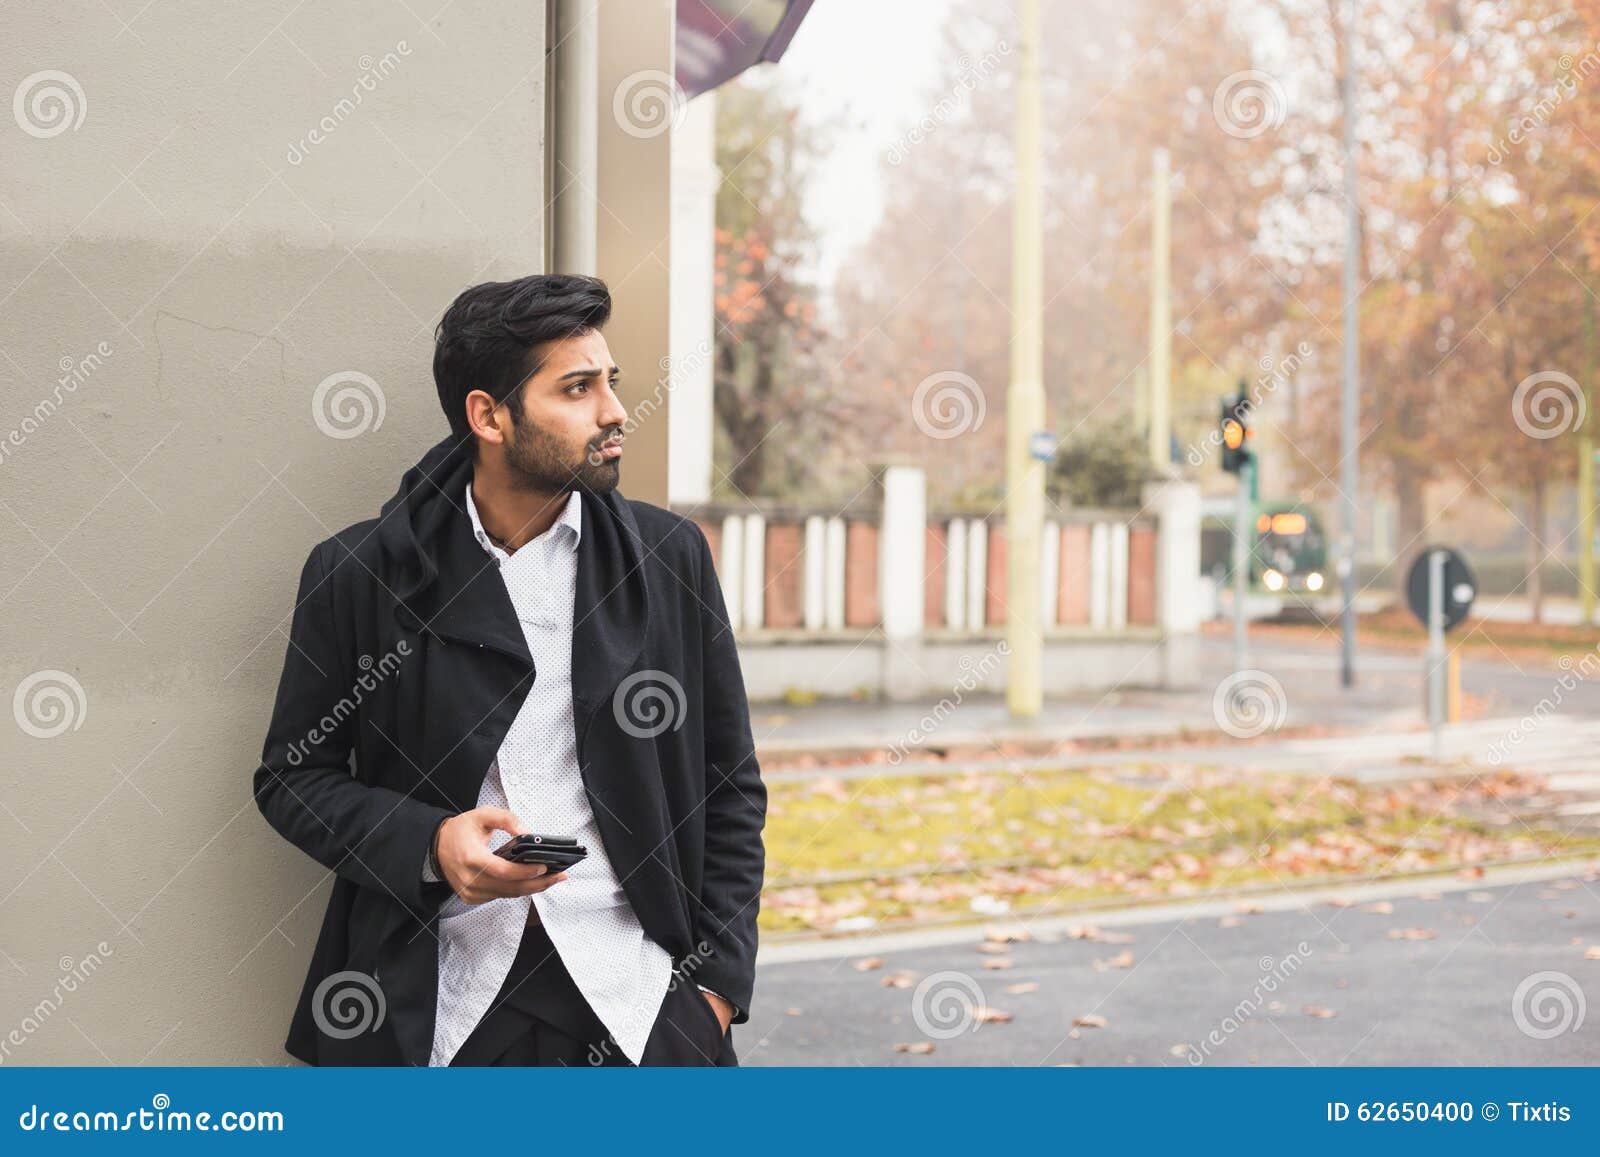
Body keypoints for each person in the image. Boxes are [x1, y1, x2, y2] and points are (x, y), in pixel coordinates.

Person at [253, 273, 766, 1066]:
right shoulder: (358, 573)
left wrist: (716, 990)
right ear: (488, 416)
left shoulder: (671, 559)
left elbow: (729, 783)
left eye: (610, 382)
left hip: (638, 994)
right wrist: (431, 843)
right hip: (438, 1003)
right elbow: (293, 777)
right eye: (577, 388)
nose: (614, 411)